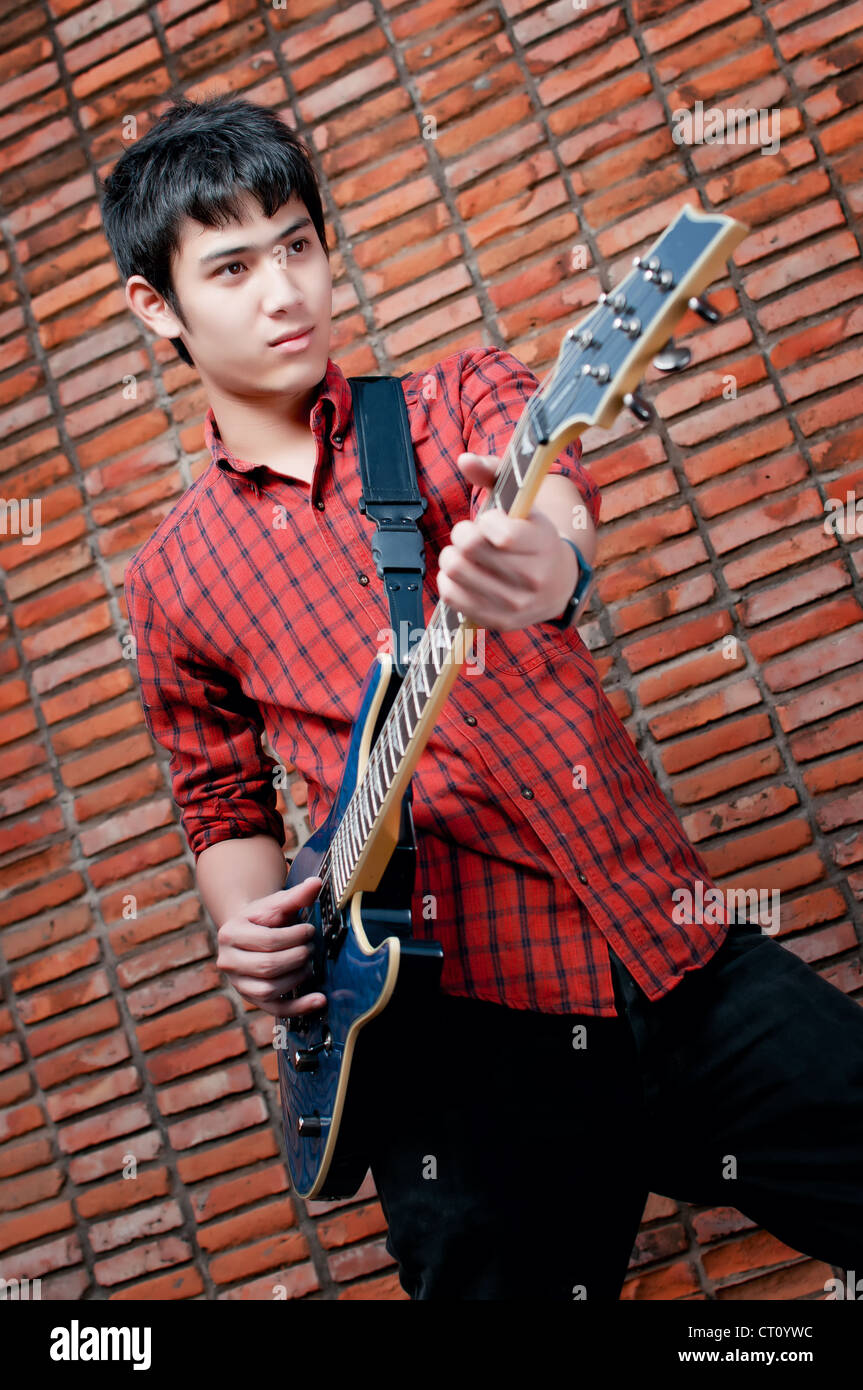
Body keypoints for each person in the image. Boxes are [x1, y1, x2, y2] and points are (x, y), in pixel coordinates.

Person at [103, 94, 863, 1300]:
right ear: (158, 306)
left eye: (297, 243)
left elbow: (554, 493)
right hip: (457, 1047)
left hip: (674, 953)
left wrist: (542, 567)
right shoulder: (168, 582)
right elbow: (219, 799)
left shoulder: (456, 398)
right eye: (234, 265)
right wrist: (249, 928)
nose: (283, 290)